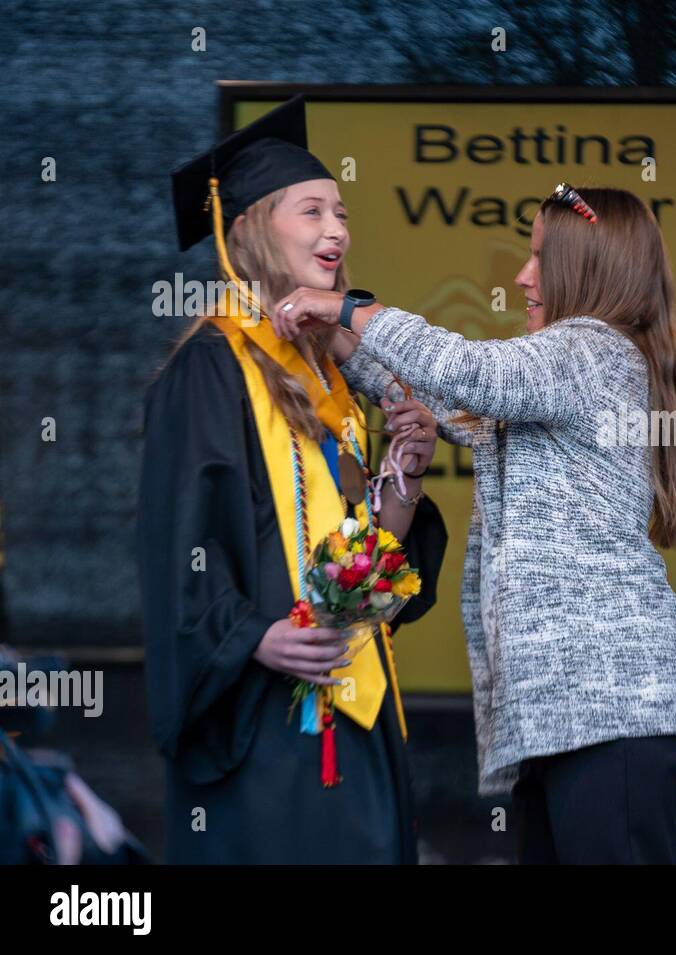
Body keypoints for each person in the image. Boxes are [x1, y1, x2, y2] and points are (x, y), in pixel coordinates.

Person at [276, 184, 676, 864]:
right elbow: (441, 399)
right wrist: (338, 344)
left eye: (539, 258)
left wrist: (348, 308)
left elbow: (472, 372)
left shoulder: (592, 352)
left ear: (583, 270)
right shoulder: (561, 374)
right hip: (570, 720)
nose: (521, 276)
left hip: (613, 710)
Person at [138, 96, 449, 863]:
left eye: (341, 213)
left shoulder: (329, 385)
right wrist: (253, 637)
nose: (338, 231)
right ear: (246, 226)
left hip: (358, 723)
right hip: (264, 736)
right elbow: (182, 550)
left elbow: (360, 564)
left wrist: (402, 481)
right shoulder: (209, 371)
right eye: (312, 211)